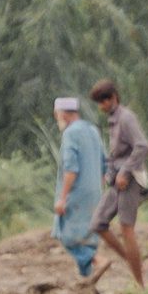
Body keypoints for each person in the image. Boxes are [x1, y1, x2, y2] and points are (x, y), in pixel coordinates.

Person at [89, 78, 148, 293]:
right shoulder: (113, 119)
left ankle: (140, 285)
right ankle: (131, 261)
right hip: (116, 180)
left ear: (114, 97)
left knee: (127, 229)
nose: (101, 106)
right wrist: (109, 172)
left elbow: (142, 146)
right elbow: (116, 153)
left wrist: (125, 171)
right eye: (99, 102)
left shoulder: (126, 118)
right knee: (98, 223)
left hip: (129, 180)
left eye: (104, 101)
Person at [51, 95, 105, 284]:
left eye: (57, 114)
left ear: (63, 114)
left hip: (77, 193)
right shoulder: (92, 130)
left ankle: (97, 261)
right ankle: (86, 280)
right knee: (87, 236)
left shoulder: (71, 133)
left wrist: (62, 198)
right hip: (95, 192)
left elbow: (71, 169)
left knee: (66, 234)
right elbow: (104, 164)